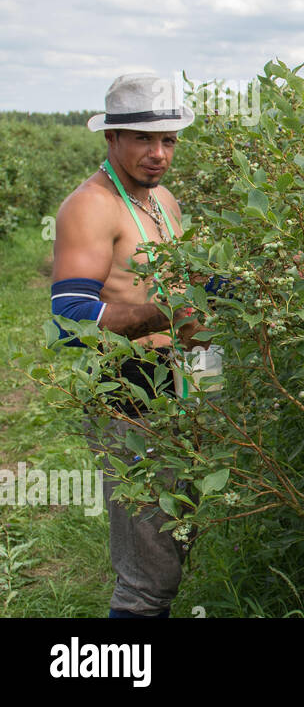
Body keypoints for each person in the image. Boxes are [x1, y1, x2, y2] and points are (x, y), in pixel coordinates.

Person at [51, 71, 205, 618]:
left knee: (177, 534)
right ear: (111, 138)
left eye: (167, 140)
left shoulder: (163, 201)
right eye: (142, 138)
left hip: (178, 379)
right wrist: (173, 312)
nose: (158, 152)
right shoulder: (92, 206)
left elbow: (179, 296)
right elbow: (70, 320)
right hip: (125, 386)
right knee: (147, 572)